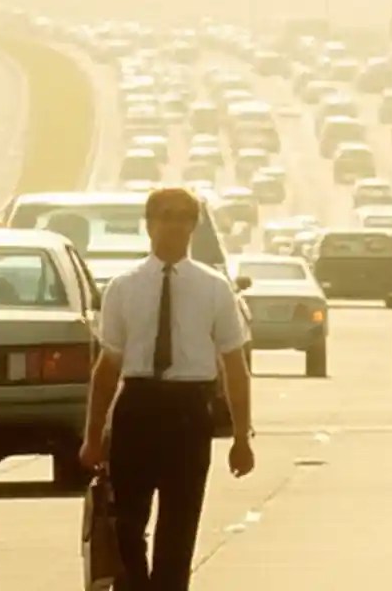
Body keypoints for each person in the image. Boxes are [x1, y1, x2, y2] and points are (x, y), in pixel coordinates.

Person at [78, 187, 255, 591]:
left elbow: (234, 366)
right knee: (126, 521)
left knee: (179, 526)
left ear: (193, 226)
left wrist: (242, 436)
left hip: (189, 413)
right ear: (149, 224)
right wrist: (92, 437)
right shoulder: (124, 287)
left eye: (182, 217)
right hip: (137, 408)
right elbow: (107, 368)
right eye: (164, 216)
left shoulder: (214, 288)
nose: (173, 225)